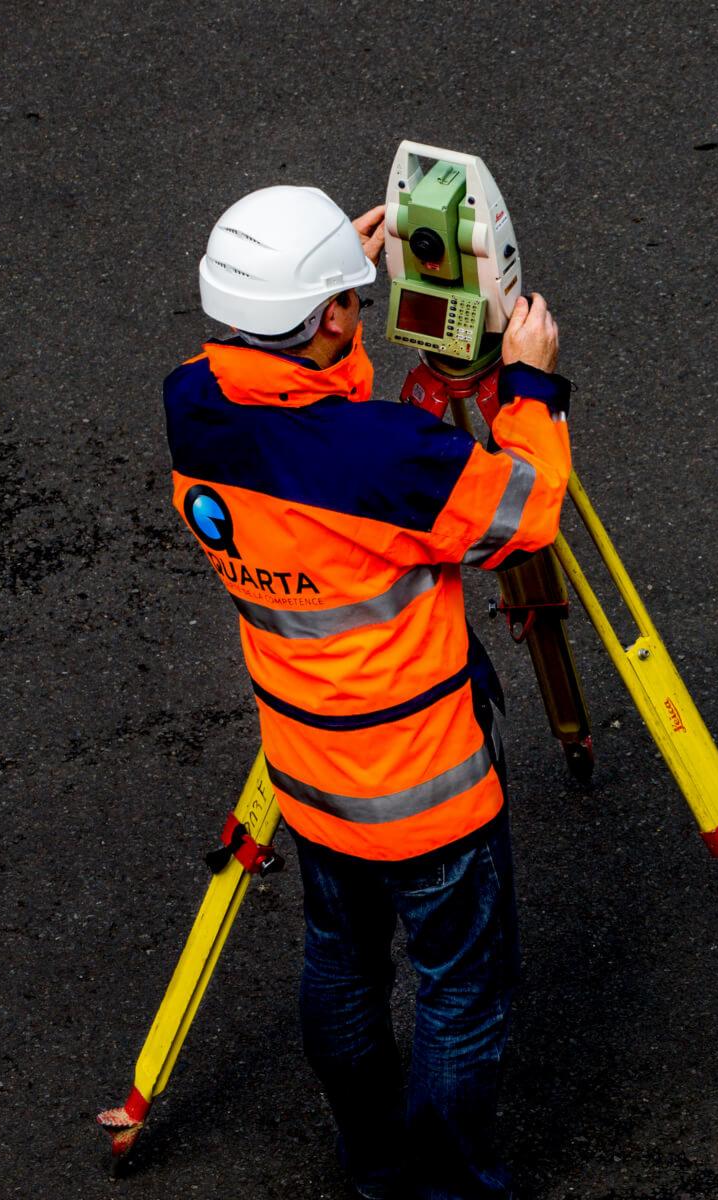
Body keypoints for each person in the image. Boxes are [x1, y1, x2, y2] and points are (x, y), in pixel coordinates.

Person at [164, 184, 572, 1200]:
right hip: (424, 788)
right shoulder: (388, 460)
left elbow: (295, 402)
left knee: (344, 968)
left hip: (310, 773)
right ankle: (451, 1187)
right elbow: (523, 512)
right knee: (460, 998)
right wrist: (529, 392)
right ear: (333, 318)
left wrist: (317, 282)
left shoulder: (191, 406)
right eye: (346, 299)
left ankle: (374, 1163)